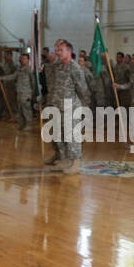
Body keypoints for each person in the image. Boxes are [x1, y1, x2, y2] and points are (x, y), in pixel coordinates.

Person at [44, 39, 90, 174]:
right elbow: (53, 85)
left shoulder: (75, 67)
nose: (58, 52)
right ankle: (64, 158)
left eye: (60, 50)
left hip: (71, 107)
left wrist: (84, 107)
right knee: (59, 134)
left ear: (69, 51)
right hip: (57, 105)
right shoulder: (58, 66)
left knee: (72, 136)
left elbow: (82, 88)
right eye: (56, 50)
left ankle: (75, 162)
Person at [0, 52, 36, 130]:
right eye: (21, 59)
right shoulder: (19, 69)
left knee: (26, 109)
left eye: (24, 59)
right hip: (19, 92)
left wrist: (33, 93)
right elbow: (13, 76)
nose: (22, 60)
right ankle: (22, 124)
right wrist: (2, 78)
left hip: (26, 93)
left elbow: (33, 82)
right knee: (20, 109)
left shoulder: (30, 70)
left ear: (28, 60)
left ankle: (28, 124)